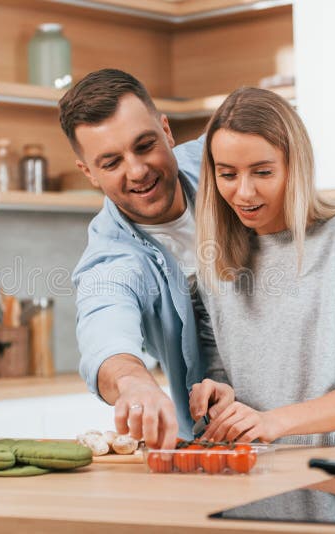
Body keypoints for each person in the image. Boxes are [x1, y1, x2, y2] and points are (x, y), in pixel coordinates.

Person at [189, 87, 335, 447]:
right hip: (256, 482)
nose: (244, 192)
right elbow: (225, 375)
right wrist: (222, 397)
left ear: (294, 166)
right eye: (228, 174)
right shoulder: (215, 259)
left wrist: (274, 421)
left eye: (263, 172)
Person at [59, 69, 232, 450]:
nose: (136, 171)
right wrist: (133, 383)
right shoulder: (110, 255)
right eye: (111, 162)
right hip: (220, 441)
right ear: (88, 172)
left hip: (319, 418)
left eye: (144, 145)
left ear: (166, 130)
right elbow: (104, 328)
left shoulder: (228, 164)